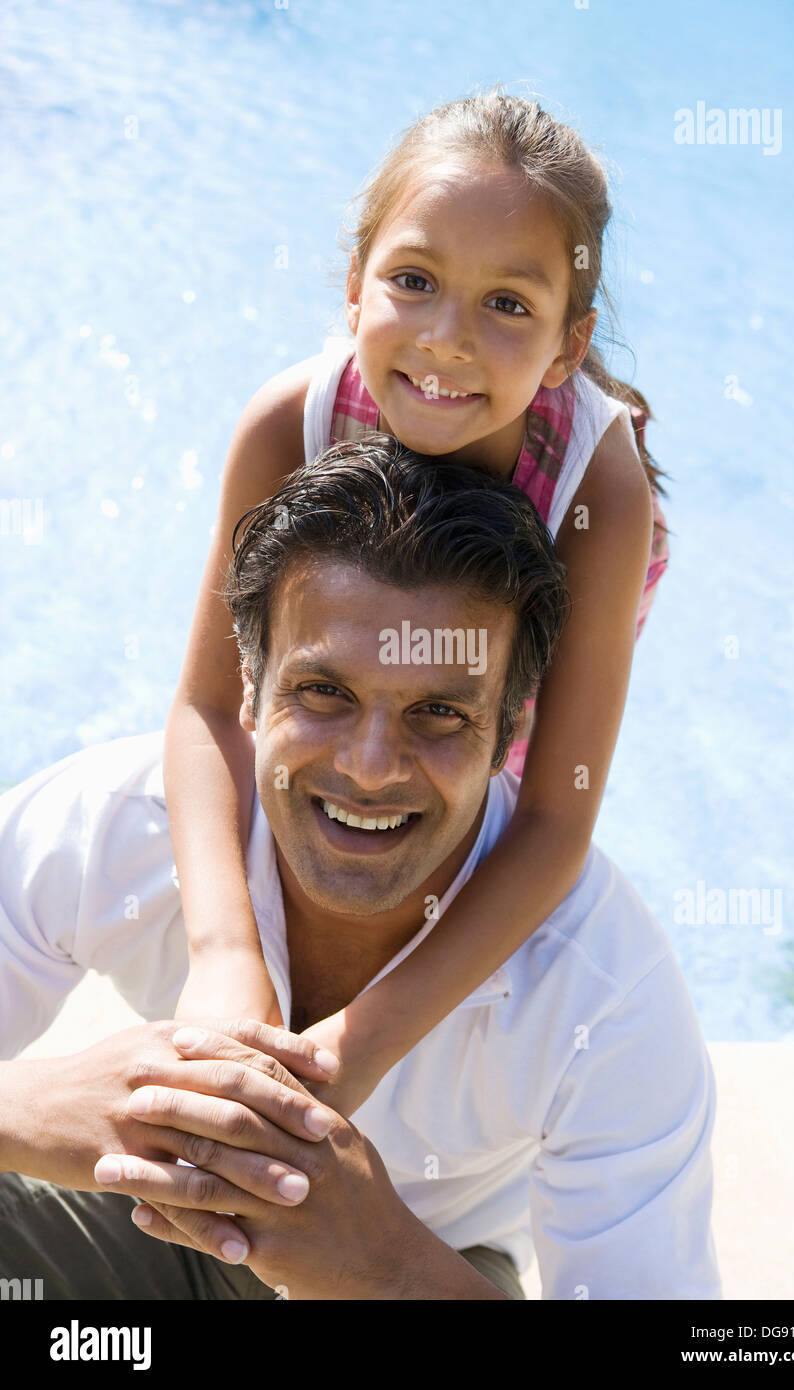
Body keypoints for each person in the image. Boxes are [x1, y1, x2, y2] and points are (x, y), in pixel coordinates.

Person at [0, 441, 719, 1300]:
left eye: (440, 713)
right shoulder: (117, 824)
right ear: (250, 680)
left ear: (506, 737)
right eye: (325, 694)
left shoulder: (605, 993)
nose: (372, 767)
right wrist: (36, 1105)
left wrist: (378, 1260)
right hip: (140, 1220)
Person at [164, 88, 672, 1115]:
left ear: (568, 347)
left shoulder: (598, 496)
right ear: (353, 289)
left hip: (494, 726)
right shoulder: (289, 422)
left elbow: (552, 809)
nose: (445, 339)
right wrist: (226, 955)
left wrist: (365, 1040)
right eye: (413, 280)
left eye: (507, 305)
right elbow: (208, 707)